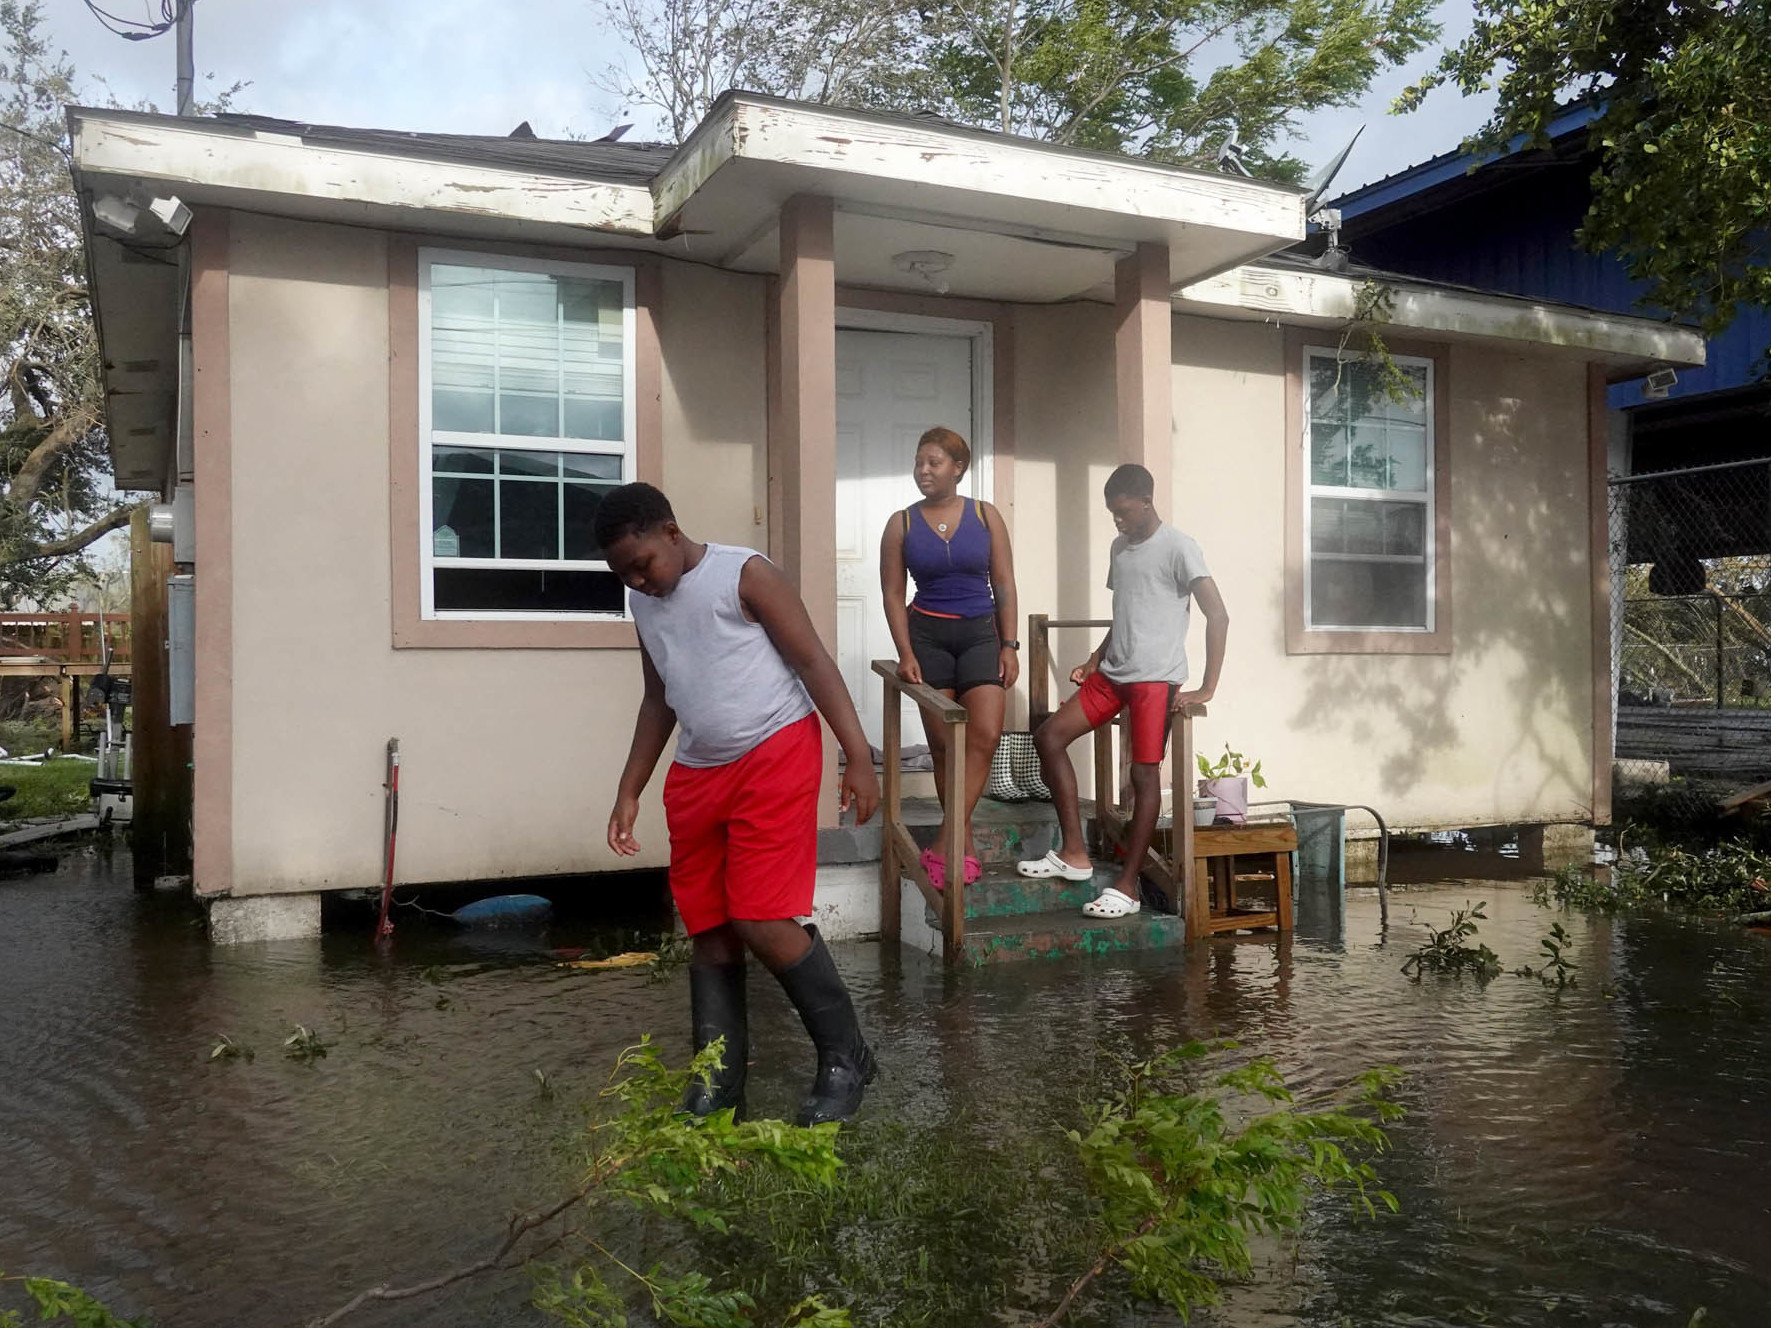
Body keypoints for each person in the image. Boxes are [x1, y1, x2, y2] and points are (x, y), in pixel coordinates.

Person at [599, 482, 881, 1126]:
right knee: (710, 928)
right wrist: (628, 788)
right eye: (623, 576)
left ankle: (846, 1058)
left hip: (774, 750)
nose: (638, 582)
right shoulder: (646, 605)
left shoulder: (745, 575)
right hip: (698, 773)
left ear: (670, 531)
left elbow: (812, 661)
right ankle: (718, 1082)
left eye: (642, 564)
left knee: (761, 917)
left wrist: (856, 755)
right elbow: (657, 698)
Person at [1017, 463, 1228, 918]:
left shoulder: (1179, 547)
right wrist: (1095, 659)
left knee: (1143, 775)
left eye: (1123, 512)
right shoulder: (1120, 548)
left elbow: (1218, 615)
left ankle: (1128, 887)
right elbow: (1125, 612)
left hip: (1155, 679)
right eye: (1112, 513)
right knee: (1049, 737)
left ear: (1147, 502)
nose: (1117, 521)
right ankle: (1074, 853)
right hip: (1113, 673)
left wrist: (1207, 688)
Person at [879, 427, 1019, 891]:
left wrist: (1010, 644)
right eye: (920, 462)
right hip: (928, 637)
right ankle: (964, 843)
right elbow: (893, 593)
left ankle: (945, 839)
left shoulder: (985, 514)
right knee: (943, 746)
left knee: (985, 734)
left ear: (958, 467)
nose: (924, 471)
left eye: (934, 463)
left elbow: (1004, 583)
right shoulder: (900, 523)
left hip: (981, 633)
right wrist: (904, 652)